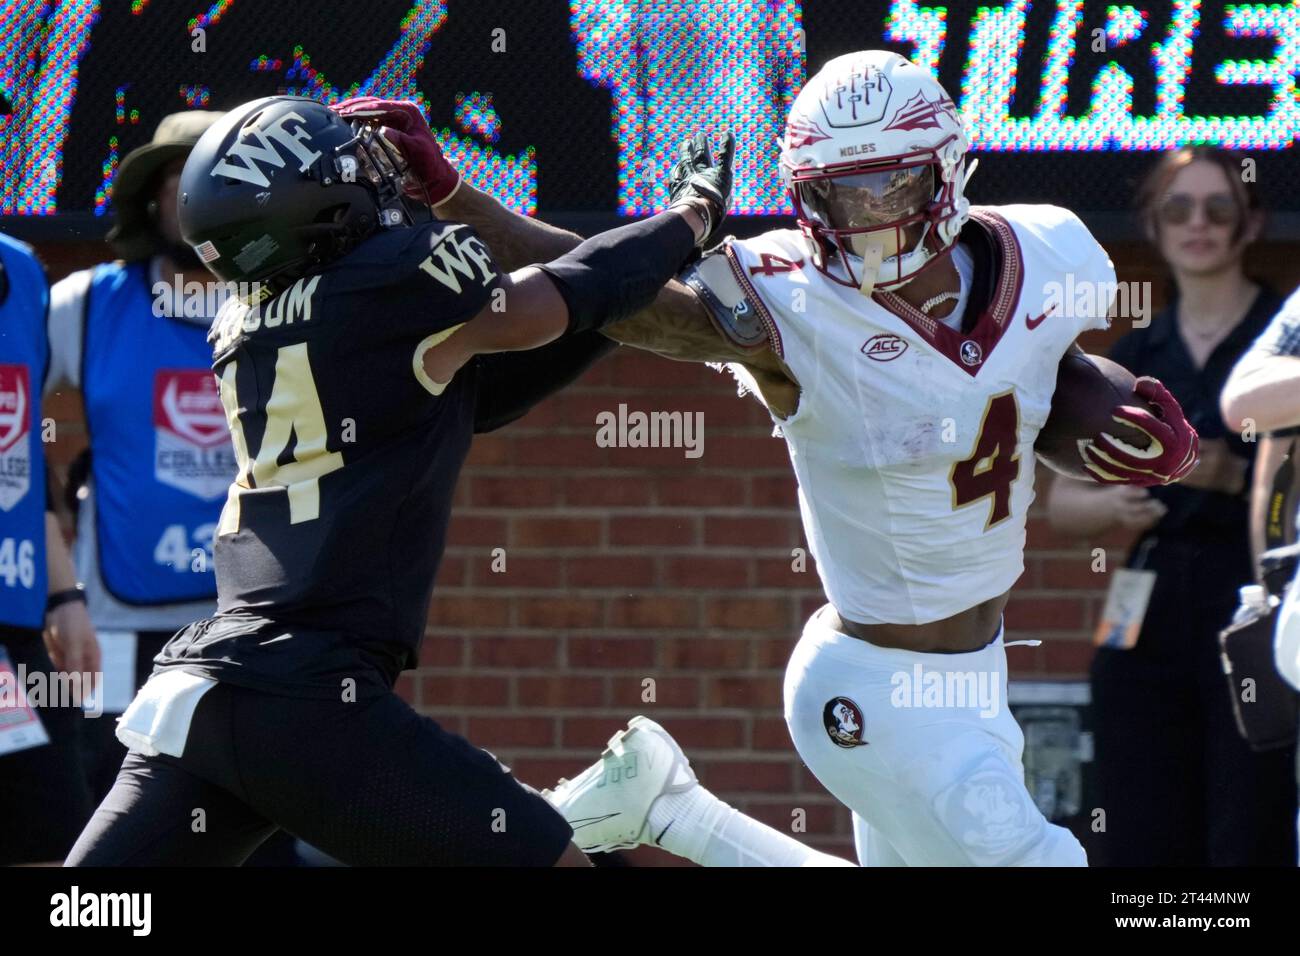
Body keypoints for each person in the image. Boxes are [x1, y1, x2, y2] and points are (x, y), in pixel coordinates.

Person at [439, 50, 1199, 866]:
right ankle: (673, 814)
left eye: (889, 188)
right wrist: (454, 195)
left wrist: (1111, 421)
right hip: (876, 690)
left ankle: (671, 809)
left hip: (976, 678)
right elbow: (609, 299)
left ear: (945, 169)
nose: (866, 217)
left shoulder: (1050, 249)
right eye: (838, 194)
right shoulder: (790, 296)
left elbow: (1039, 386)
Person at [66, 93, 733, 866]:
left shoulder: (243, 325)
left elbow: (485, 390)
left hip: (209, 690)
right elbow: (560, 295)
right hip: (309, 690)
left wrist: (625, 296)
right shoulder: (388, 280)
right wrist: (690, 218)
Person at [1047, 146, 1296, 865]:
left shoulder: (1278, 344)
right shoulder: (1133, 353)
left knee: (1250, 819)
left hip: (1250, 593)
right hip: (1147, 603)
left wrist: (1223, 476)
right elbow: (1064, 498)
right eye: (1178, 208)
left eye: (1219, 208)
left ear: (1249, 224)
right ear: (1153, 226)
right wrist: (1110, 510)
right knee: (1138, 821)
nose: (1199, 225)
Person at [44, 110, 235, 802]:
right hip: (115, 621)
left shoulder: (292, 308)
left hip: (248, 620)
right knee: (111, 798)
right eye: (180, 184)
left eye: (215, 183)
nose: (193, 202)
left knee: (246, 813)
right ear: (152, 200)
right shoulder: (86, 303)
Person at [0, 229, 98, 865]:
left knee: (59, 840)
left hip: (17, 623)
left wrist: (64, 595)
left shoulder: (22, 270)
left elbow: (20, 453)